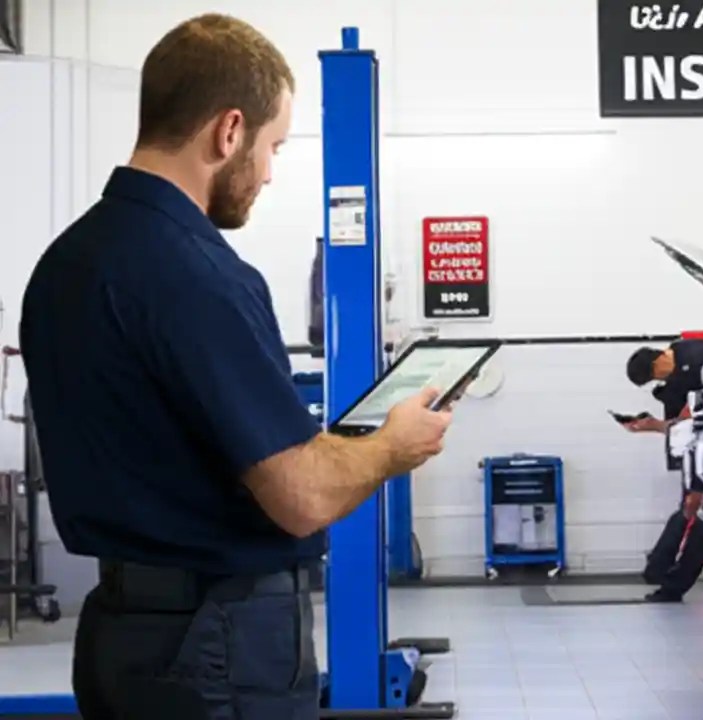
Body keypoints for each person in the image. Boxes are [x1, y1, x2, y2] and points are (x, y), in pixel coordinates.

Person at [19, 14, 453, 719]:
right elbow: (301, 496)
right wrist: (391, 446)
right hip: (217, 646)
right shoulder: (197, 271)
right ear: (228, 132)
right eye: (272, 145)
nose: (271, 172)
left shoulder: (66, 263)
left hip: (119, 636)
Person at [624, 338, 703, 602]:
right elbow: (679, 424)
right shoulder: (674, 385)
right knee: (692, 509)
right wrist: (653, 425)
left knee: (702, 513)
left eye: (654, 376)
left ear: (659, 360)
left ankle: (669, 580)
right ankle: (661, 573)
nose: (658, 381)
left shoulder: (701, 355)